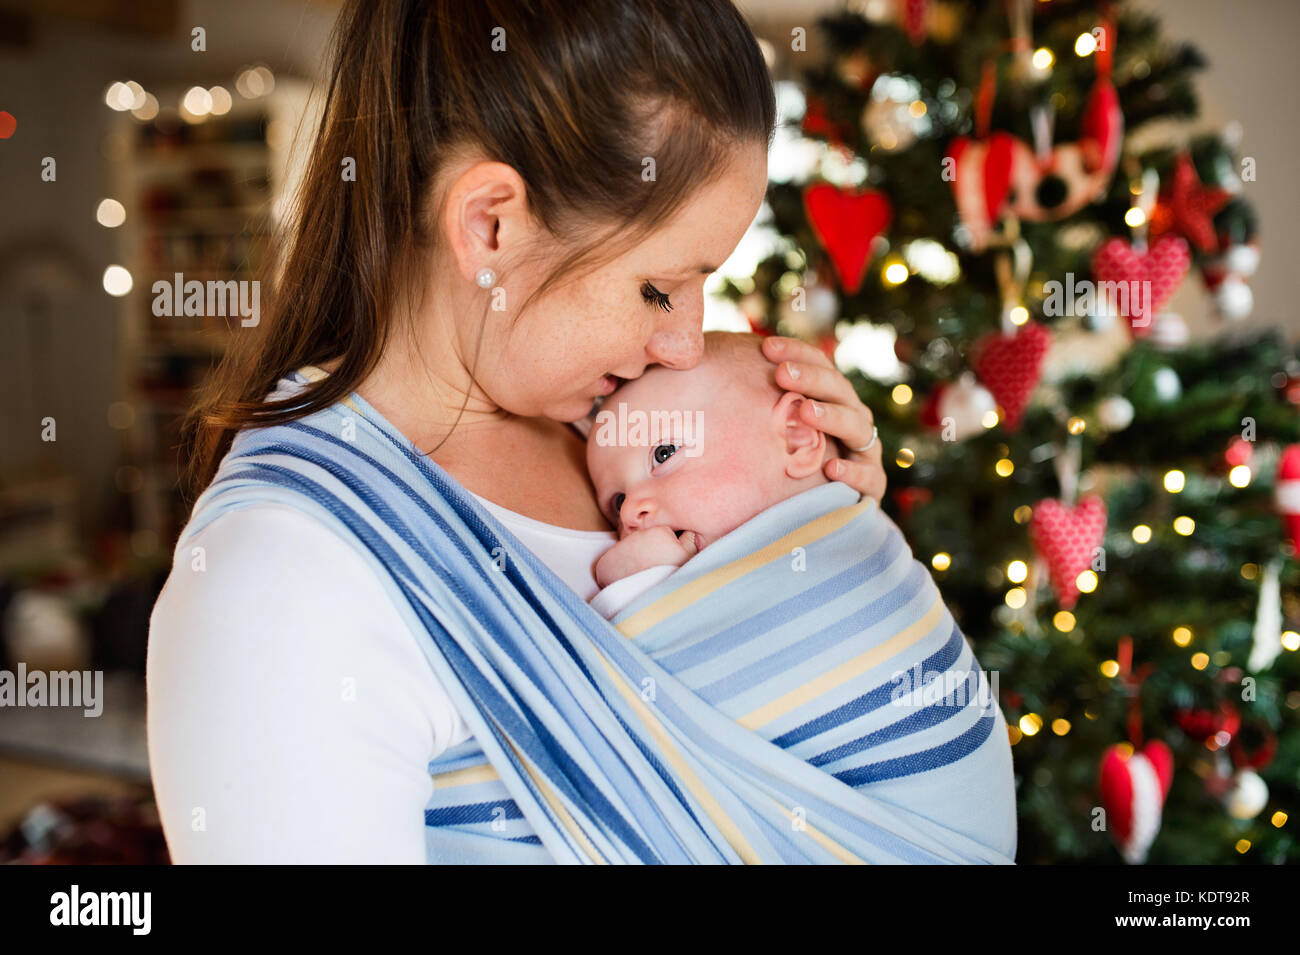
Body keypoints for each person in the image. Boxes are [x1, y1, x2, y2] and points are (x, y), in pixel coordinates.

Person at [147, 0, 896, 864]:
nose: (687, 340)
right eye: (660, 285)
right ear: (489, 226)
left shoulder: (628, 436)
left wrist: (830, 534)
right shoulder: (279, 587)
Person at [579, 332, 1017, 861]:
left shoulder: (846, 546)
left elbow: (631, 697)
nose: (632, 512)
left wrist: (638, 593)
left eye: (664, 453)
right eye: (617, 500)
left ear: (796, 438)